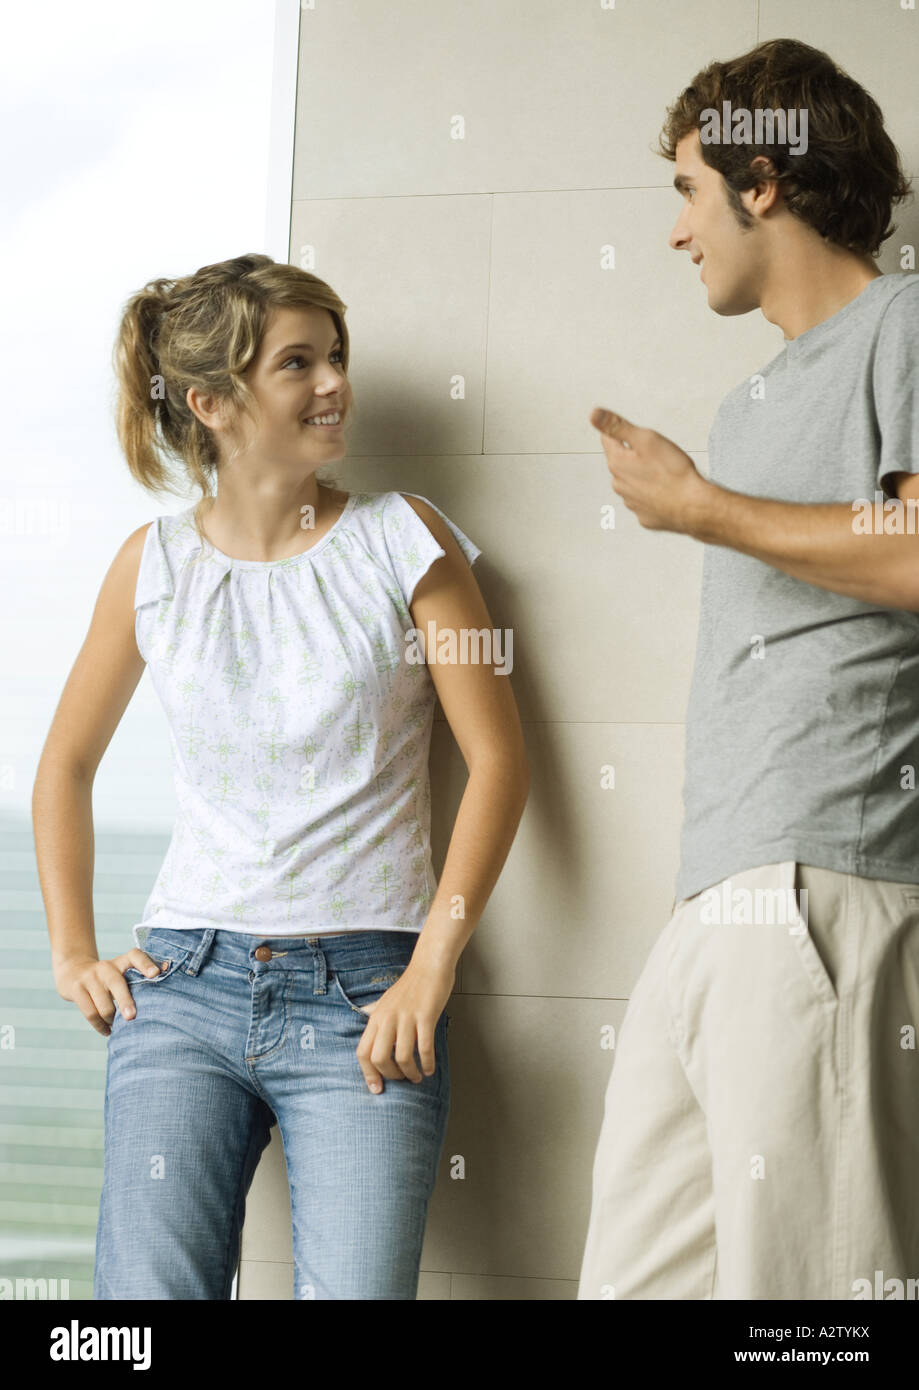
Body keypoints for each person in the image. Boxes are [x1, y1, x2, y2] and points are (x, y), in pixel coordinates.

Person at [31, 254, 529, 1299]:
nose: (335, 382)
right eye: (298, 362)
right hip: (180, 990)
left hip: (366, 993)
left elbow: (499, 765)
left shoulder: (408, 541)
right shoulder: (152, 565)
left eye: (336, 356)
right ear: (211, 402)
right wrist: (74, 950)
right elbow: (65, 765)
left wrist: (430, 970)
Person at [578, 38, 919, 1299]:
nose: (678, 231)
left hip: (823, 876)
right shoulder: (751, 403)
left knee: (816, 1302)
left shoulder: (905, 321)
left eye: (686, 189)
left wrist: (703, 508)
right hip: (715, 898)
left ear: (760, 179)